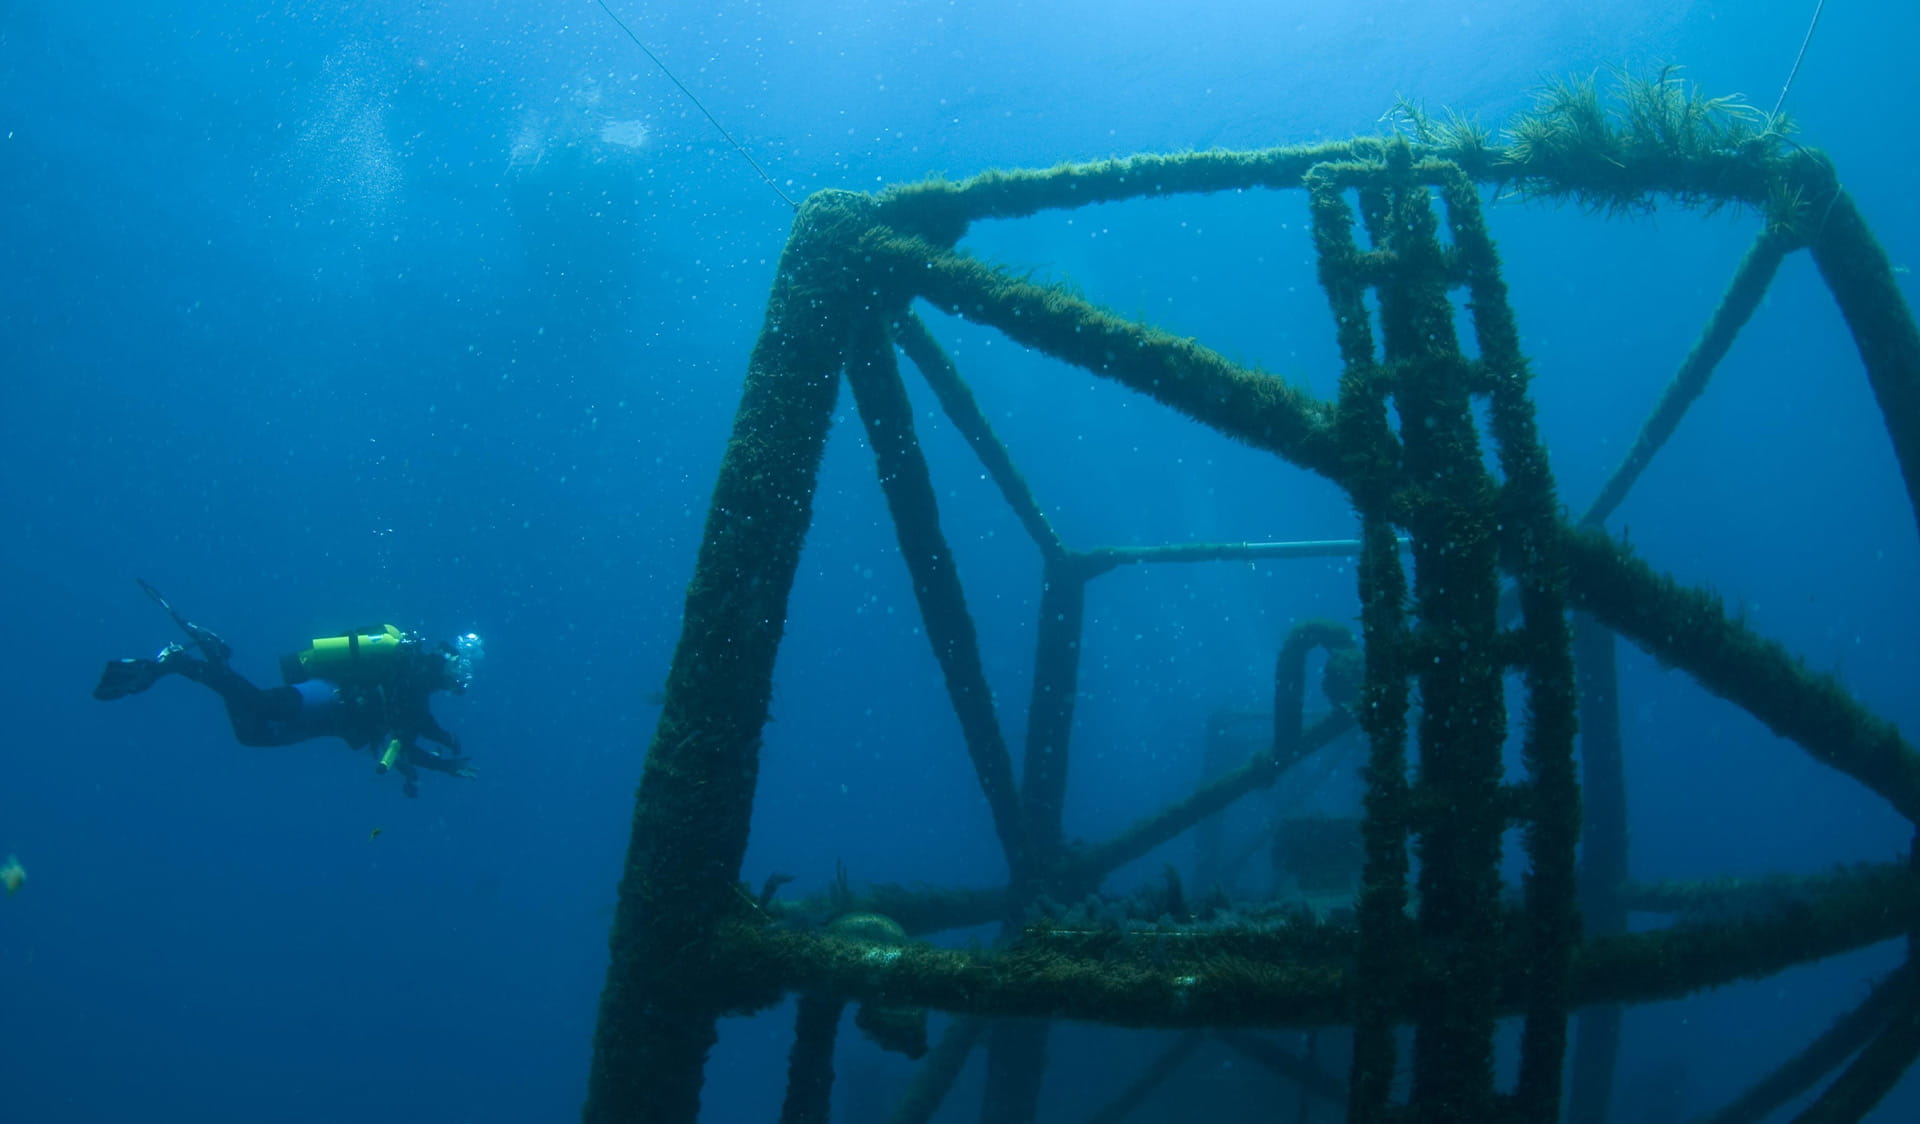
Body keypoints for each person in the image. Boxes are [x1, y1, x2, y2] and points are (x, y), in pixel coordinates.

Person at [94, 581, 480, 797]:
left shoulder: (415, 694)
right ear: (445, 666)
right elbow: (410, 733)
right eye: (457, 674)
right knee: (261, 705)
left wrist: (445, 750)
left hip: (331, 719)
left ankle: (214, 657)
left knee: (252, 735)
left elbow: (411, 734)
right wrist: (445, 757)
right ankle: (183, 663)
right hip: (331, 694)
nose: (456, 682)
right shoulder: (409, 673)